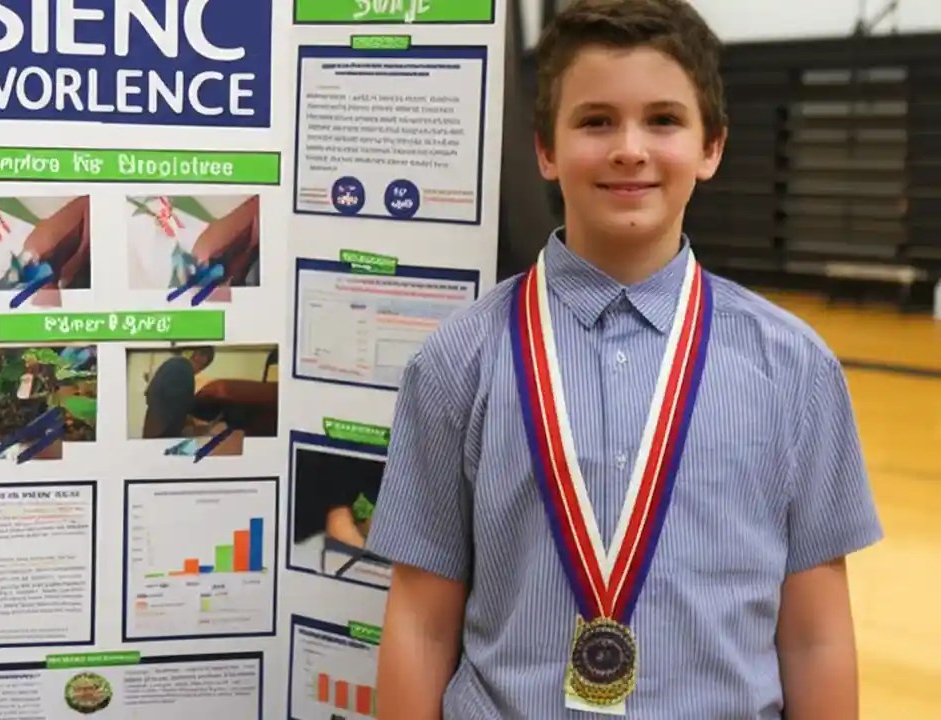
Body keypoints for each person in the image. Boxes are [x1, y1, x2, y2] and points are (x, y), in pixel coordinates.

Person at [365, 2, 883, 719]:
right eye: (596, 120)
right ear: (545, 148)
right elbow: (421, 622)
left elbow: (815, 637)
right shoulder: (459, 360)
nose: (629, 148)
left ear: (712, 147)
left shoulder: (796, 368)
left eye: (664, 120)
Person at [140, 346, 216, 438]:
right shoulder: (183, 367)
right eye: (204, 366)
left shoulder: (174, 364)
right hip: (161, 434)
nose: (200, 371)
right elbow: (179, 408)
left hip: (155, 431)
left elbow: (155, 396)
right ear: (202, 358)